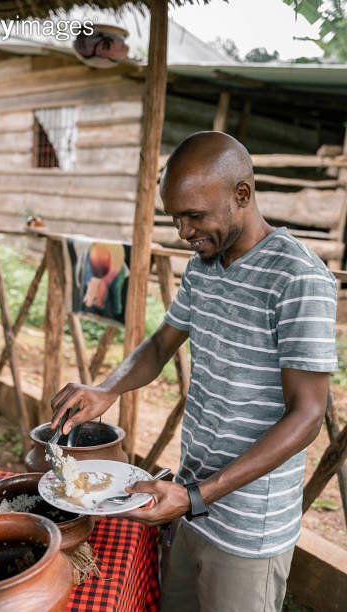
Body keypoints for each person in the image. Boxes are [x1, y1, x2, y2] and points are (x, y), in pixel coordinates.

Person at [51, 132, 338, 612]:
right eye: (176, 217)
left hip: (247, 530)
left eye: (194, 215)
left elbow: (307, 416)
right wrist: (106, 390)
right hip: (190, 500)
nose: (183, 231)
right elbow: (163, 341)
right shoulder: (206, 264)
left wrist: (197, 496)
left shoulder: (297, 277)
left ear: (241, 195)